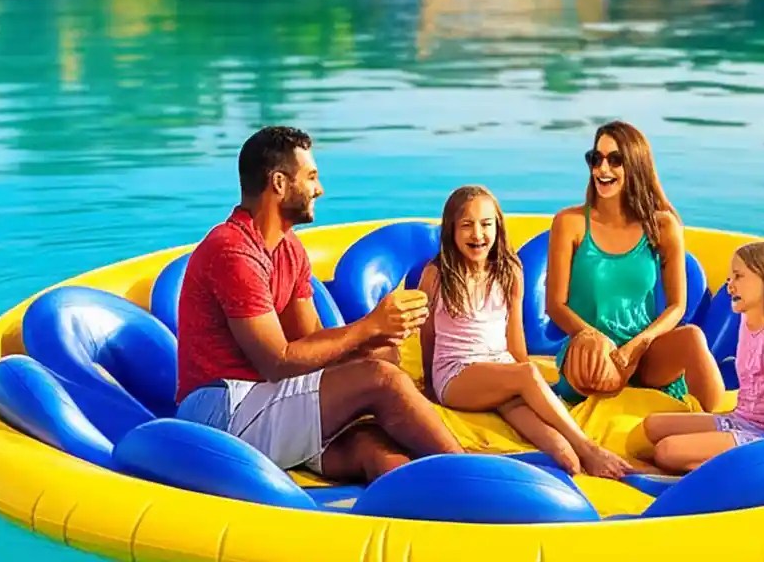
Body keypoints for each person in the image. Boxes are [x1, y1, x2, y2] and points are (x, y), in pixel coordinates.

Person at [175, 125, 464, 483]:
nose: (320, 189)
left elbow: (310, 339)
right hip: (219, 412)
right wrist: (369, 327)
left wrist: (373, 343)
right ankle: (475, 478)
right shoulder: (233, 250)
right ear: (279, 183)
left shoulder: (288, 248)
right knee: (381, 380)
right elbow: (277, 361)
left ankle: (430, 514)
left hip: (264, 401)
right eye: (311, 176)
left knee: (372, 441)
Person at [418, 185, 633, 479]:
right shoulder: (437, 275)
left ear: (498, 226)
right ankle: (589, 448)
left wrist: (532, 386)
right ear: (451, 230)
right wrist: (430, 384)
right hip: (457, 373)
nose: (477, 234)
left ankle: (575, 459)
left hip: (501, 368)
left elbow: (514, 338)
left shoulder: (509, 271)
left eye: (486, 224)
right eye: (466, 225)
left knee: (560, 448)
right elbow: (427, 332)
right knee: (526, 375)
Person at [545, 121, 726, 411]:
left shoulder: (662, 226)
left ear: (635, 164)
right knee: (596, 356)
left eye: (615, 160)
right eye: (596, 158)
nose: (602, 169)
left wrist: (638, 345)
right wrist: (595, 337)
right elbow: (555, 305)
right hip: (589, 351)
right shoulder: (570, 223)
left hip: (643, 350)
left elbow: (677, 307)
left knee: (693, 337)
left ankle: (721, 427)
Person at [637, 241, 764, 473]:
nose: (730, 286)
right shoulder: (748, 322)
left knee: (667, 451)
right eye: (730, 277)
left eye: (739, 277)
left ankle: (727, 473)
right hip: (740, 420)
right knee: (653, 426)